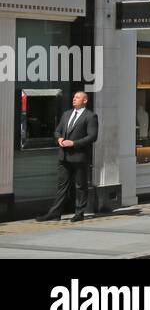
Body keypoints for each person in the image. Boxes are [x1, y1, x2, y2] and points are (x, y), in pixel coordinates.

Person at [36, 92, 98, 223]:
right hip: (64, 156)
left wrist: (74, 143)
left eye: (77, 97)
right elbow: (57, 130)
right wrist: (59, 138)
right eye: (73, 97)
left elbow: (92, 136)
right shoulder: (66, 114)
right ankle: (55, 213)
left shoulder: (90, 116)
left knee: (80, 186)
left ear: (85, 100)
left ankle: (79, 213)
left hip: (79, 157)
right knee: (62, 186)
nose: (74, 99)